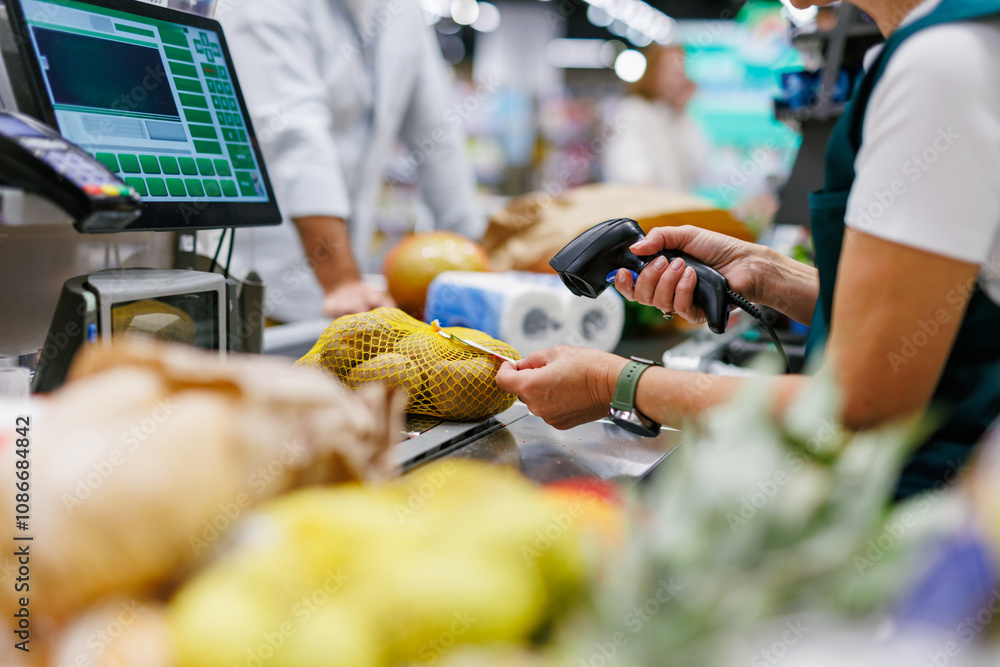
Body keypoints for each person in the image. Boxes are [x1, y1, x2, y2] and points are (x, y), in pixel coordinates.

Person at [497, 0, 1000, 499]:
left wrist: (614, 384)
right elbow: (943, 316)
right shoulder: (954, 41)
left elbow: (856, 411)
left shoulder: (938, 65)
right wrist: (768, 273)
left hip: (935, 511)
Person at [219, 0, 481, 321]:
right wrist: (342, 281)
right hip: (266, 291)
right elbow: (297, 138)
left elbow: (439, 139)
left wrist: (477, 269)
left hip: (352, 284)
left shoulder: (403, 12)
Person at [602, 45, 708, 192]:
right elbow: (632, 169)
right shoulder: (632, 110)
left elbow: (699, 166)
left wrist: (683, 112)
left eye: (682, 70)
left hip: (670, 208)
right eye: (672, 71)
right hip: (646, 208)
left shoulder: (675, 117)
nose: (680, 79)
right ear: (653, 73)